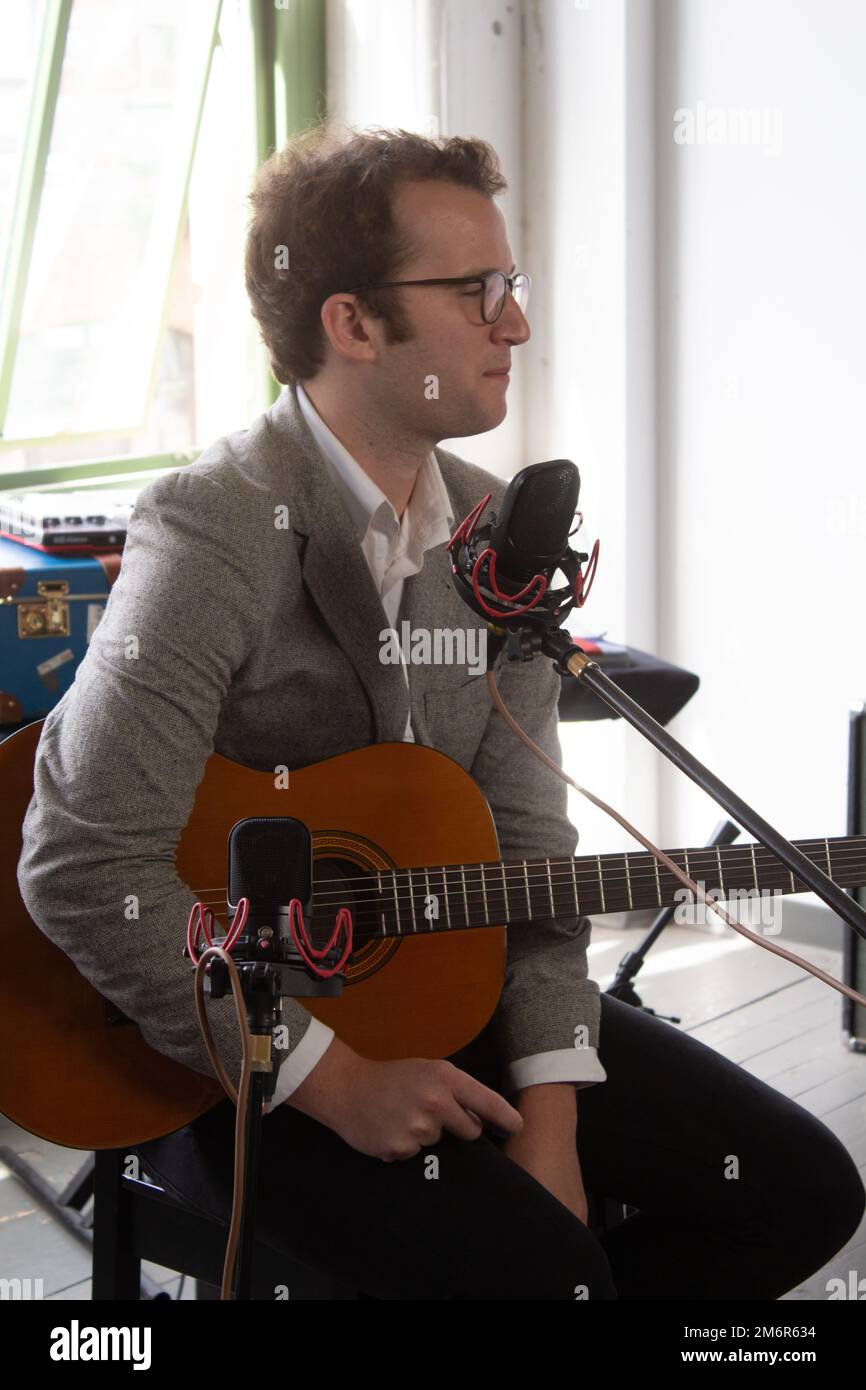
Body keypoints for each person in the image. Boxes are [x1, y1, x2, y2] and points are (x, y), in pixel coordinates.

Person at [17, 125, 864, 1300]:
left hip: (441, 993)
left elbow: (528, 853)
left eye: (507, 285)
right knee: (547, 1276)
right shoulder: (214, 528)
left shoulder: (490, 538)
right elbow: (81, 861)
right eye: (476, 291)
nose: (513, 324)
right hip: (211, 1053)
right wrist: (324, 1074)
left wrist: (552, 1117)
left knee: (802, 1193)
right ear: (353, 325)